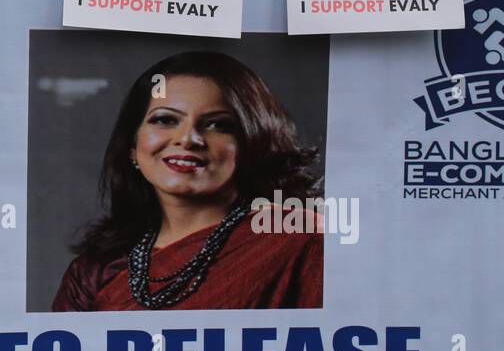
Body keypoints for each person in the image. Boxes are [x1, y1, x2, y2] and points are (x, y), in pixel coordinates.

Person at [52, 51, 322, 312]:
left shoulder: (298, 238)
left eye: (218, 125)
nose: (189, 139)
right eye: (165, 120)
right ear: (132, 147)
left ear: (252, 142)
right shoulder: (94, 271)